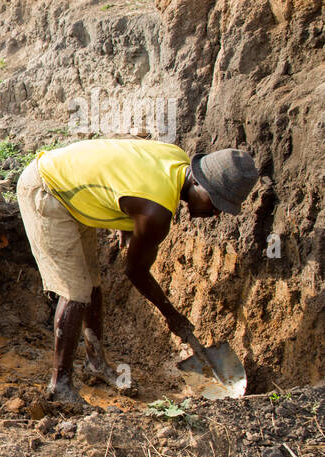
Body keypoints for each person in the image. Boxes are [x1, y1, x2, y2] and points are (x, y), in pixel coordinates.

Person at [16, 138, 258, 405]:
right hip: (48, 191)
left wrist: (127, 222)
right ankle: (59, 386)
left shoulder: (175, 159)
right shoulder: (156, 213)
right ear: (199, 182)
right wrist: (172, 316)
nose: (214, 214)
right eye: (214, 204)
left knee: (91, 285)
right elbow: (135, 271)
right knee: (75, 293)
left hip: (74, 193)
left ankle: (96, 364)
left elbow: (125, 170)